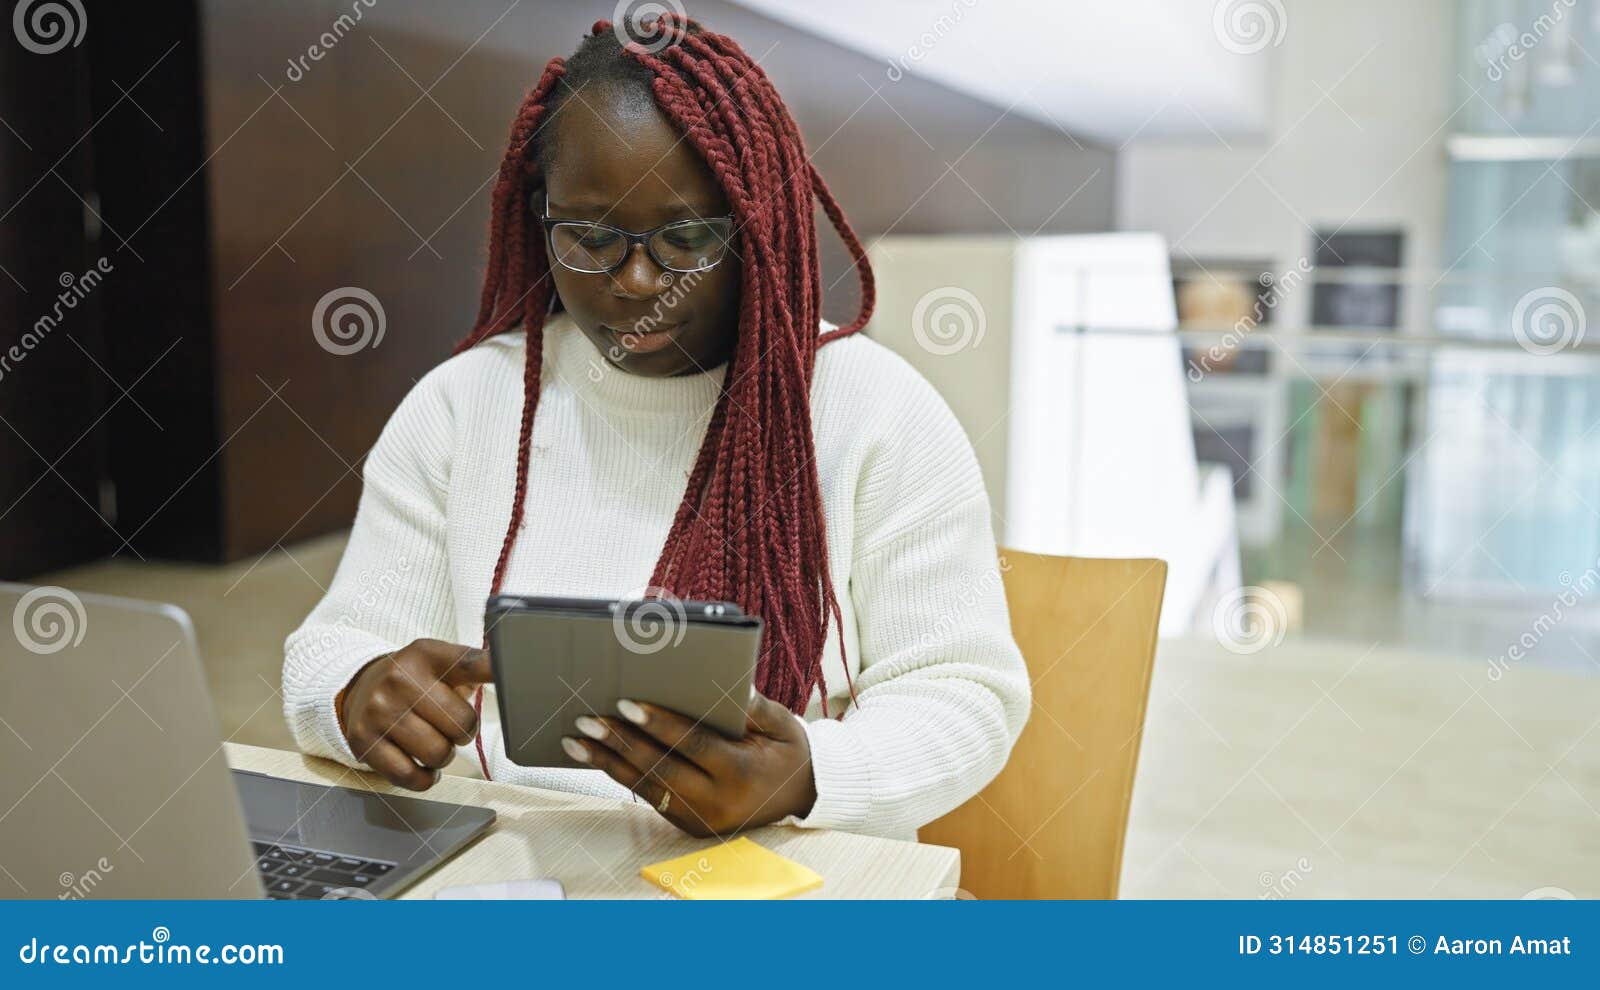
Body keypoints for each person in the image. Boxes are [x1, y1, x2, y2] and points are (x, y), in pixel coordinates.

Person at [282, 13, 1029, 842]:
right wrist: (354, 693)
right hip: (525, 879)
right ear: (541, 221)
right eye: (592, 238)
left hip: (794, 888)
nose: (637, 282)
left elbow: (967, 692)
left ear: (759, 223)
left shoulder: (877, 411)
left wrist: (810, 773)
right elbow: (331, 647)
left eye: (685, 239)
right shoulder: (463, 406)